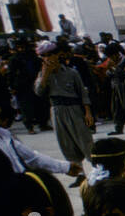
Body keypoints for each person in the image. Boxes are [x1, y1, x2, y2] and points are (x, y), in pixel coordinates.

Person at [34, 42, 93, 184]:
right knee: (66, 143)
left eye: (50, 54)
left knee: (85, 141)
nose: (48, 58)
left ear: (57, 54)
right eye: (44, 56)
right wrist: (46, 74)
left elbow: (82, 93)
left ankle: (100, 169)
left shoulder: (71, 72)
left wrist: (87, 112)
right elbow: (39, 92)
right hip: (57, 109)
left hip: (73, 108)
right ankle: (80, 174)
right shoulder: (42, 75)